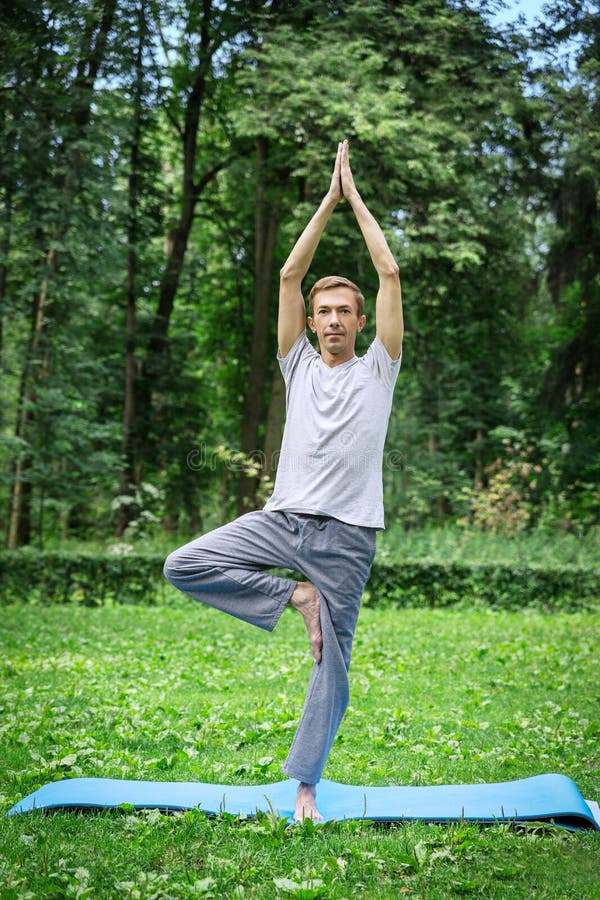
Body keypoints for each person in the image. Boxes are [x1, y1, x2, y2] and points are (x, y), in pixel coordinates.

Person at [163, 140, 403, 821]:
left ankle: (305, 785)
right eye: (322, 310)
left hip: (347, 537)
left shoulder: (378, 368)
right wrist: (326, 199)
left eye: (341, 312)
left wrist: (356, 198)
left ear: (359, 322)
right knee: (185, 562)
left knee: (333, 667)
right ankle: (293, 598)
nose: (330, 319)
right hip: (283, 518)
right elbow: (288, 277)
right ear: (313, 320)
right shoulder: (295, 363)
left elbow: (387, 272)